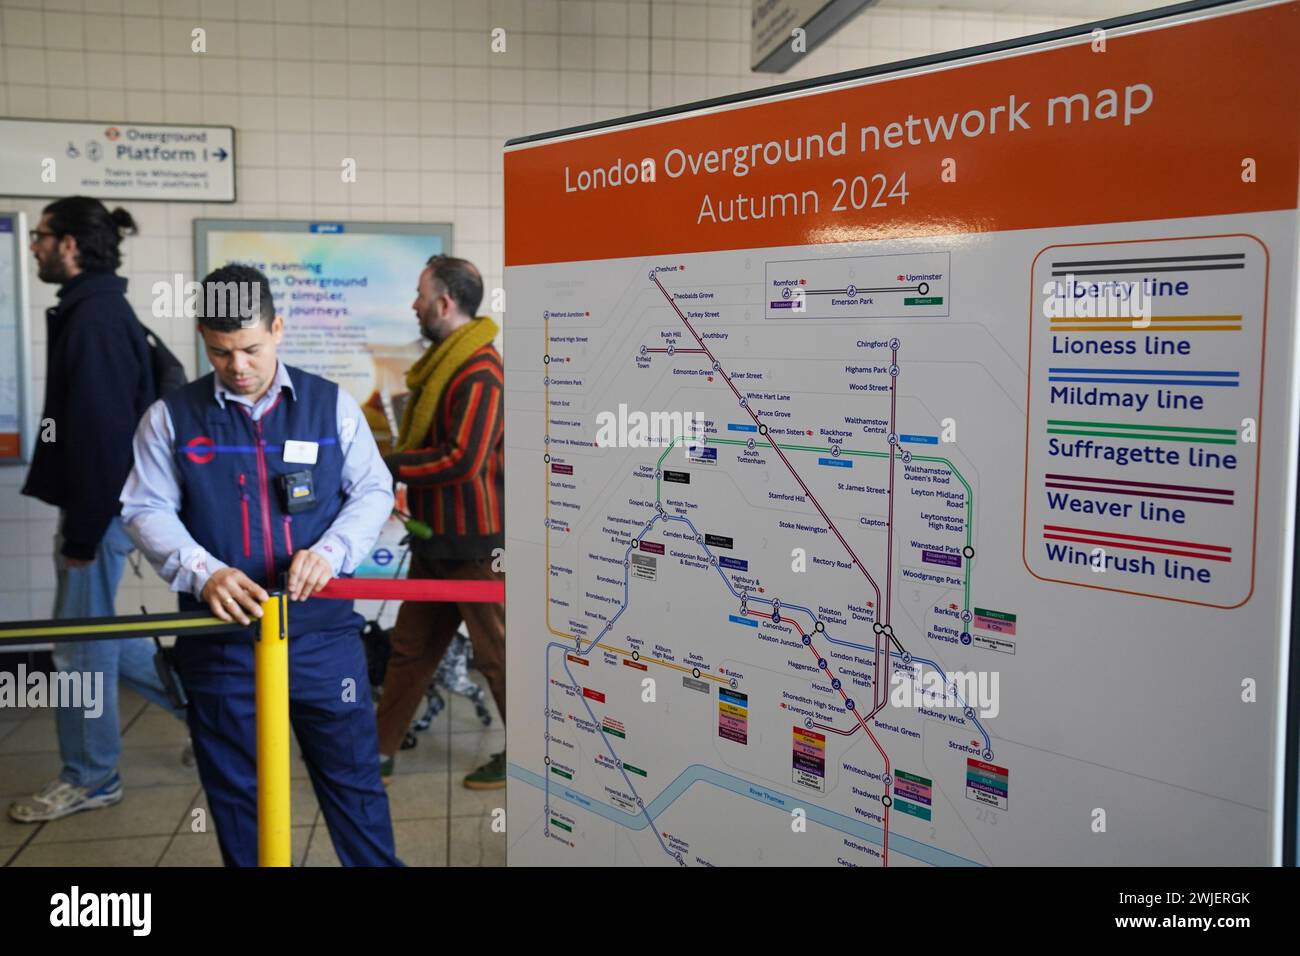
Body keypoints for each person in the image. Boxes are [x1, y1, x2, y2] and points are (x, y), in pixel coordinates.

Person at [120, 264, 400, 866]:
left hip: (323, 638)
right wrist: (203, 570)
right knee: (238, 797)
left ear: (277, 327)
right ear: (202, 337)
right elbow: (145, 507)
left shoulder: (332, 407)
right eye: (221, 352)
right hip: (222, 642)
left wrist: (331, 553)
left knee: (354, 785)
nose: (238, 366)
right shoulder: (170, 419)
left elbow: (374, 491)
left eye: (250, 347)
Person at [10, 197, 188, 825]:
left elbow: (101, 437)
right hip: (106, 506)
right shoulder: (101, 310)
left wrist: (83, 531)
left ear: (69, 245)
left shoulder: (95, 318)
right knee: (107, 637)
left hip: (98, 510)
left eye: (40, 236)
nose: (32, 246)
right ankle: (217, 716)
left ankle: (92, 777)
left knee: (78, 648)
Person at [375, 254, 506, 790]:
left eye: (420, 294)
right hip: (437, 541)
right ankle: (375, 752)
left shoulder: (479, 371)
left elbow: (462, 460)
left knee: (498, 658)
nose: (414, 304)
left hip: (475, 546)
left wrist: (387, 466)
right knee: (410, 650)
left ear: (444, 303)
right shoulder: (443, 367)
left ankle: (535, 756)